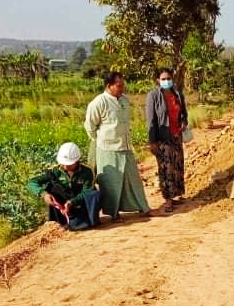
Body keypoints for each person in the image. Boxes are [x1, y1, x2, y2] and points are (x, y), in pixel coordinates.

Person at [85, 71, 151, 220]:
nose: (122, 88)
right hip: (107, 149)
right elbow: (90, 126)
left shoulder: (124, 100)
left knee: (133, 179)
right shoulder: (98, 102)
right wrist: (100, 140)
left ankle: (143, 207)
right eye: (119, 86)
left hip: (125, 146)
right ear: (109, 86)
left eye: (123, 85)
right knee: (111, 184)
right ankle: (113, 214)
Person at [27, 142, 101, 230]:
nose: (65, 166)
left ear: (77, 161)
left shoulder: (87, 172)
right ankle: (60, 222)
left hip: (80, 204)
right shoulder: (55, 171)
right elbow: (32, 182)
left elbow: (86, 191)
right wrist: (44, 194)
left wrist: (72, 202)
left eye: (69, 164)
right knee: (51, 188)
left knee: (93, 193)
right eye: (63, 163)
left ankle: (89, 221)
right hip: (62, 207)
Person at [146, 67, 188, 212]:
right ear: (158, 80)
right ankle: (167, 200)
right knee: (166, 168)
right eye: (163, 79)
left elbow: (183, 113)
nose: (166, 81)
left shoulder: (178, 94)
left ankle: (175, 196)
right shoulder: (153, 96)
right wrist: (152, 142)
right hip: (163, 139)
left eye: (168, 78)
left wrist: (184, 122)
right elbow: (150, 120)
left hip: (176, 136)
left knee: (177, 166)